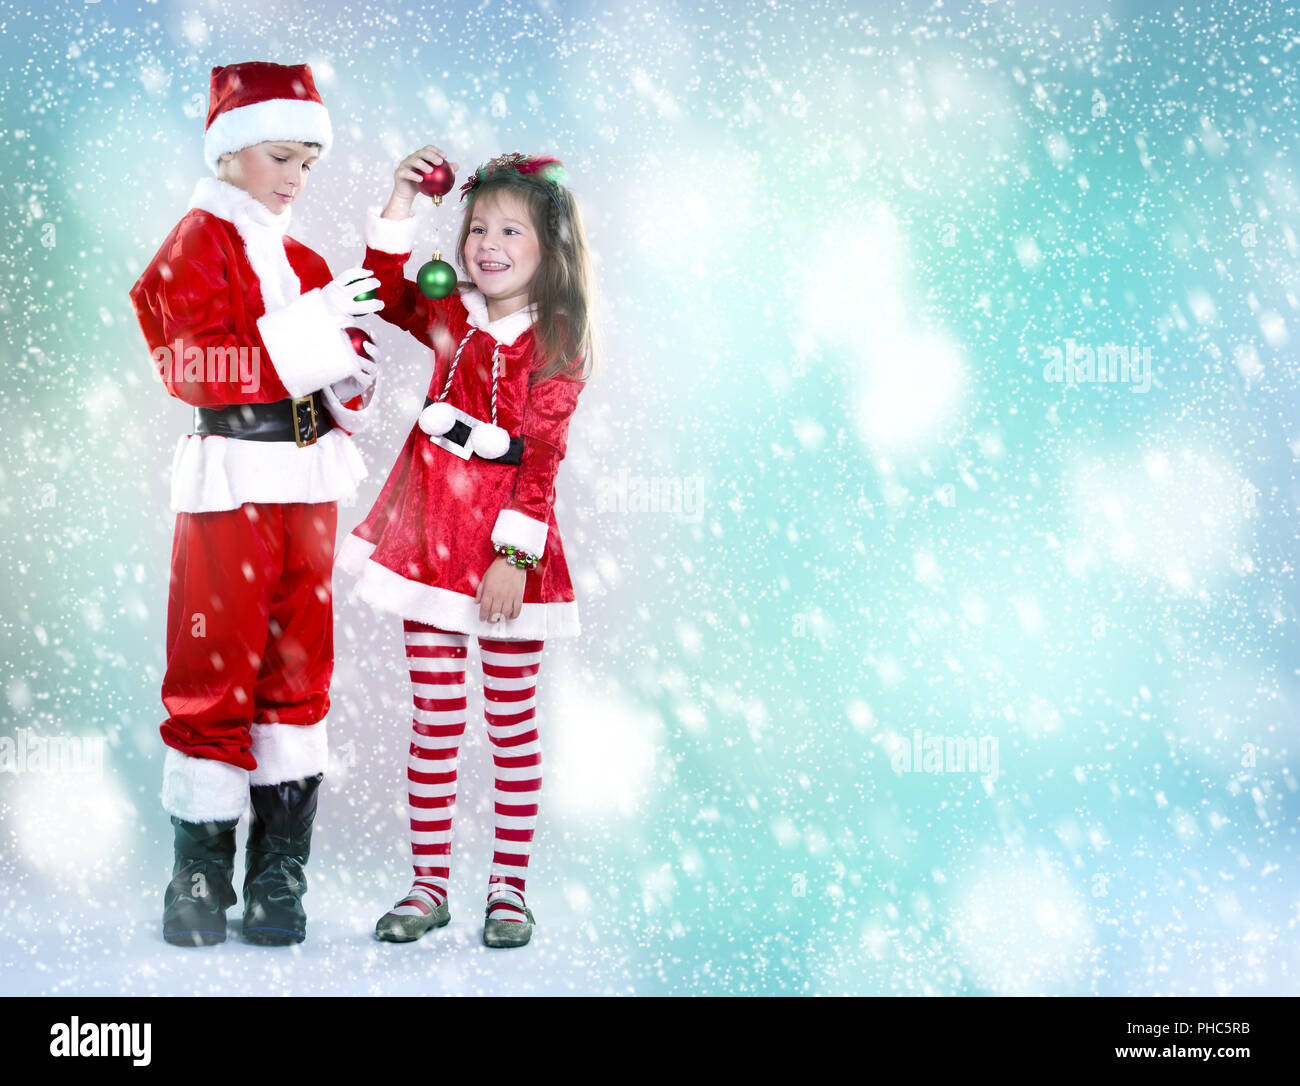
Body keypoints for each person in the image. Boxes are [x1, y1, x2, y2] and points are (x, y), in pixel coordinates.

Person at [128, 60, 384, 946]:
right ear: (231, 151)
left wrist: (351, 377)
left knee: (297, 667)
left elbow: (337, 377)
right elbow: (192, 368)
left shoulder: (306, 258)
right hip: (231, 485)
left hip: (310, 490)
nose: (296, 178)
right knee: (213, 668)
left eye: (308, 163)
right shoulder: (193, 245)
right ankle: (198, 871)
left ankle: (279, 869)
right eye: (281, 156)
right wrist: (311, 338)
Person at [336, 146, 596, 948]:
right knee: (435, 721)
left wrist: (514, 559)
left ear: (548, 250)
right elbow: (380, 290)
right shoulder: (452, 316)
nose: (487, 243)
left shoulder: (554, 340)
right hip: (430, 549)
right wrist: (401, 197)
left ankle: (510, 889)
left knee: (512, 723)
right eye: (478, 227)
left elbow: (543, 456)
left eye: (511, 230)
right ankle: (428, 885)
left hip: (507, 561)